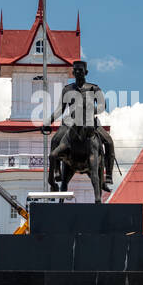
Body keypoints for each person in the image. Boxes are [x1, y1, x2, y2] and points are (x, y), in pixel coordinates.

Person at [50, 59, 116, 191]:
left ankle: (108, 175)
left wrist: (91, 112)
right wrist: (48, 121)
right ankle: (56, 171)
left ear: (86, 72)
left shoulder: (94, 88)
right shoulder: (67, 89)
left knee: (109, 142)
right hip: (71, 123)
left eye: (81, 70)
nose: (78, 72)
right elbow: (60, 110)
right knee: (55, 140)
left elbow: (103, 106)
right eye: (76, 70)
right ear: (73, 72)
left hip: (90, 122)